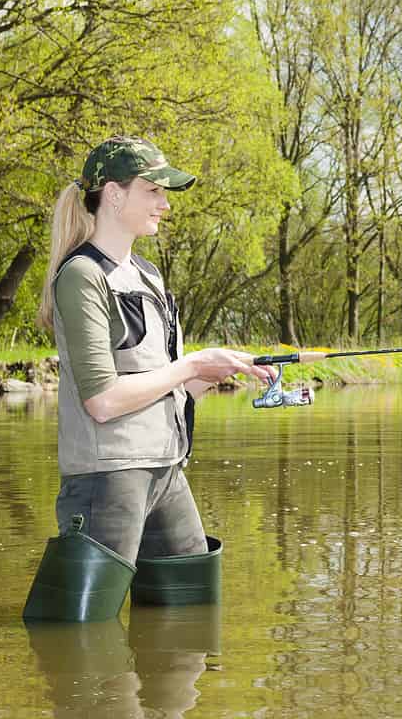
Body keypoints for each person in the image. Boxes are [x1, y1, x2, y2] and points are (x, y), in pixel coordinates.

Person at [21, 135, 319, 622]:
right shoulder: (81, 277)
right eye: (153, 191)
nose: (165, 204)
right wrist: (193, 365)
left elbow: (168, 386)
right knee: (76, 633)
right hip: (107, 479)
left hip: (166, 471)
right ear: (114, 195)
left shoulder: (148, 275)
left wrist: (223, 371)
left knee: (190, 619)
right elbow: (102, 401)